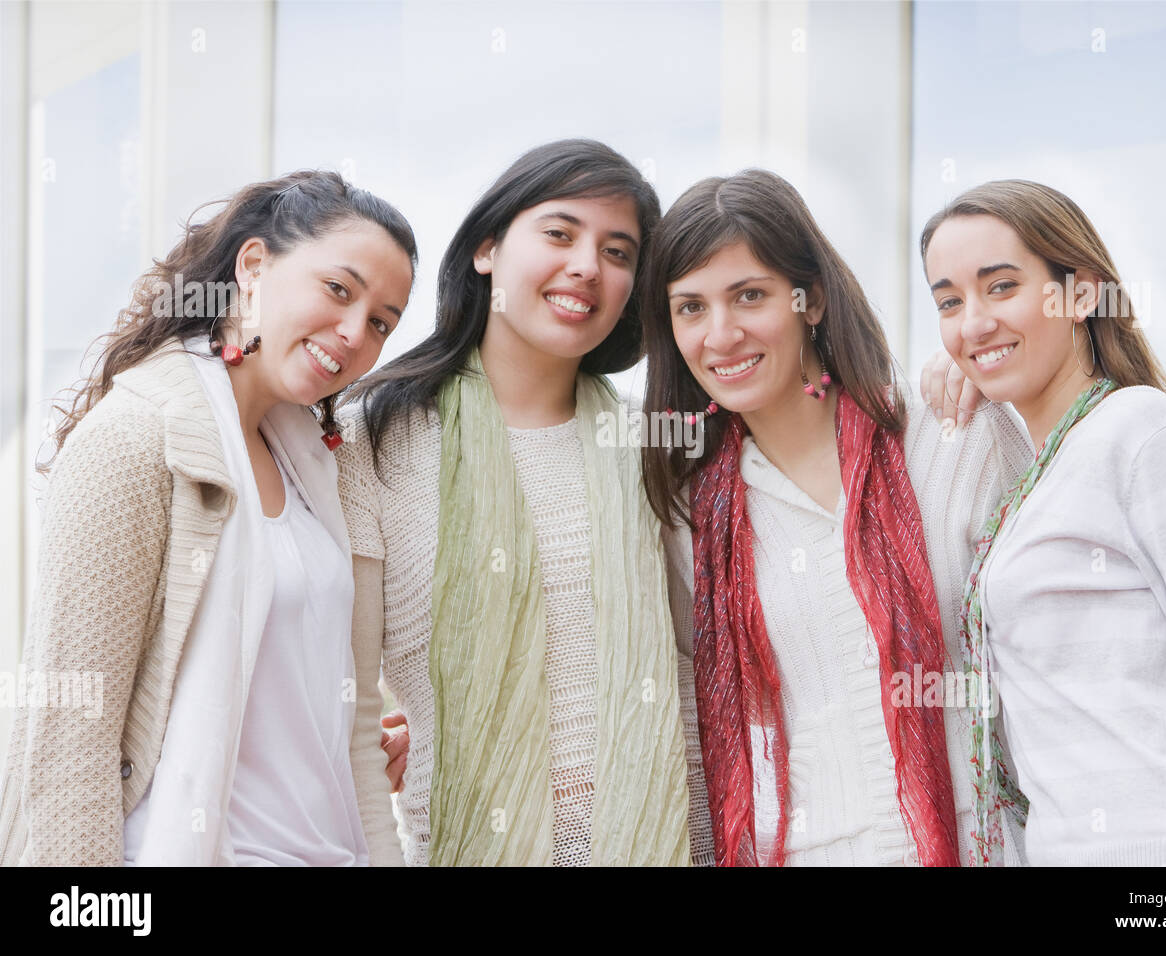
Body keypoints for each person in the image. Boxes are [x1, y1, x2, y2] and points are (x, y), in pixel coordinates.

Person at [0, 170, 416, 866]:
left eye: (380, 322)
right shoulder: (136, 439)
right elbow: (67, 733)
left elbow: (350, 733)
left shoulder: (323, 472)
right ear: (253, 266)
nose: (353, 333)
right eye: (338, 290)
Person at [639, 170, 1034, 866]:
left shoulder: (952, 431)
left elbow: (1061, 640)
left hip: (987, 843)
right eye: (690, 308)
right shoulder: (688, 518)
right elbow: (694, 740)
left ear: (810, 299)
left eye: (749, 296)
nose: (721, 335)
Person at [921, 179, 1166, 866]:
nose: (972, 322)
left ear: (1081, 292)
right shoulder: (1035, 481)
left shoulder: (1140, 429)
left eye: (1001, 287)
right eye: (949, 301)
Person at [336, 140, 689, 866]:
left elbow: (690, 686)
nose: (588, 265)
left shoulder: (652, 446)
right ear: (488, 247)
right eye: (560, 234)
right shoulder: (372, 437)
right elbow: (349, 717)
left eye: (618, 253)